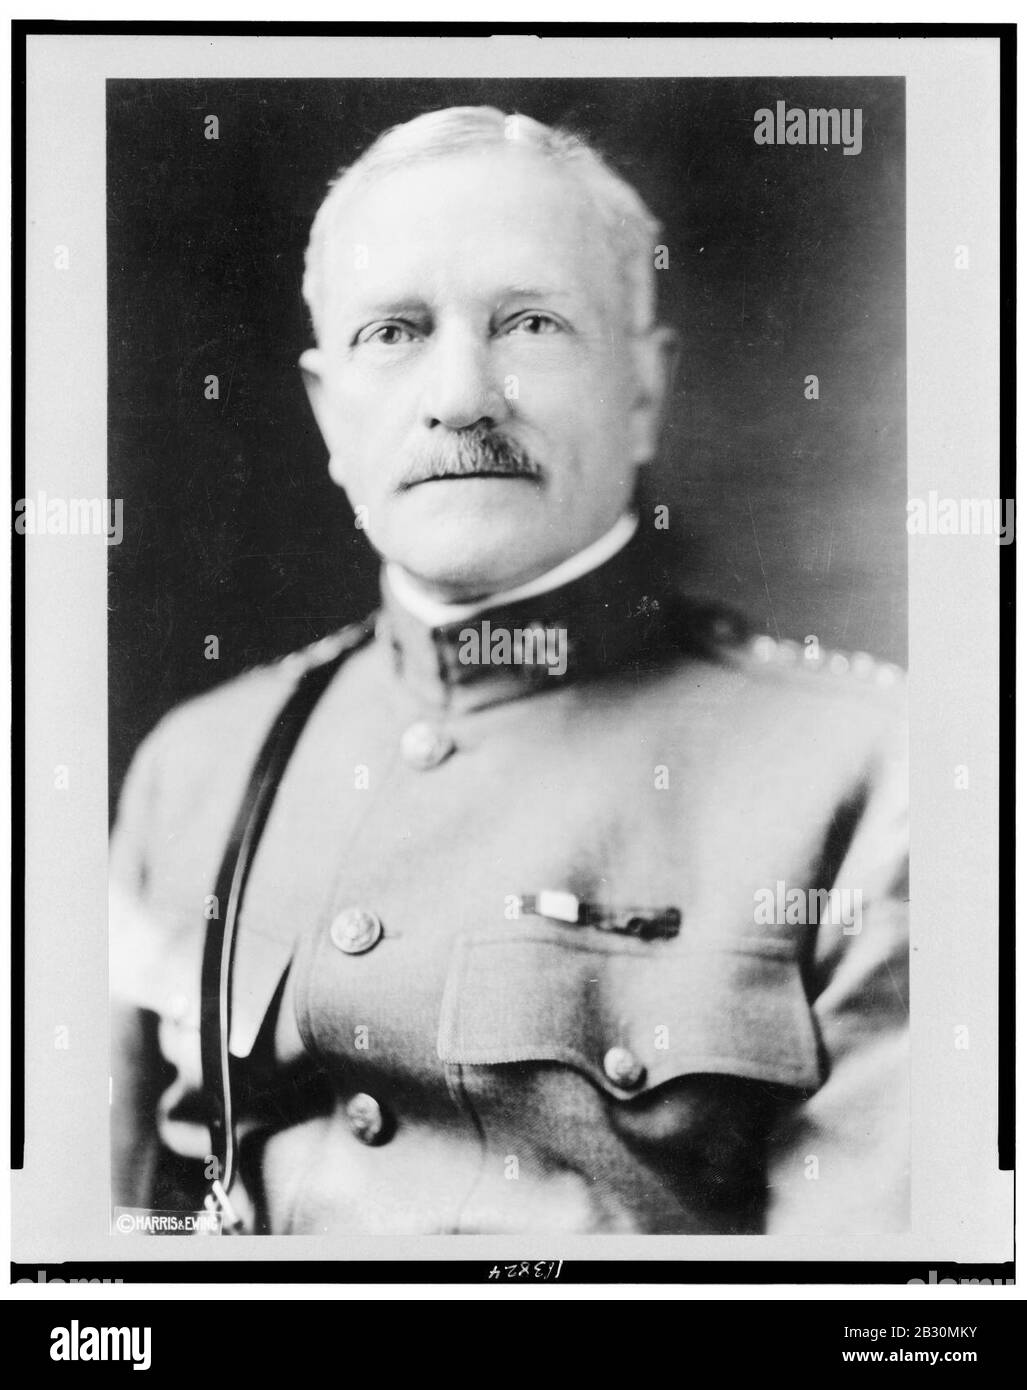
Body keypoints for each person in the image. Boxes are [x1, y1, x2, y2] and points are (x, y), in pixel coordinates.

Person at [109, 105, 908, 1236]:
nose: (461, 394)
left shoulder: (875, 775)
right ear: (329, 413)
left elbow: (879, 1317)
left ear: (642, 390)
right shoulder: (191, 771)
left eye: (529, 321)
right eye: (393, 332)